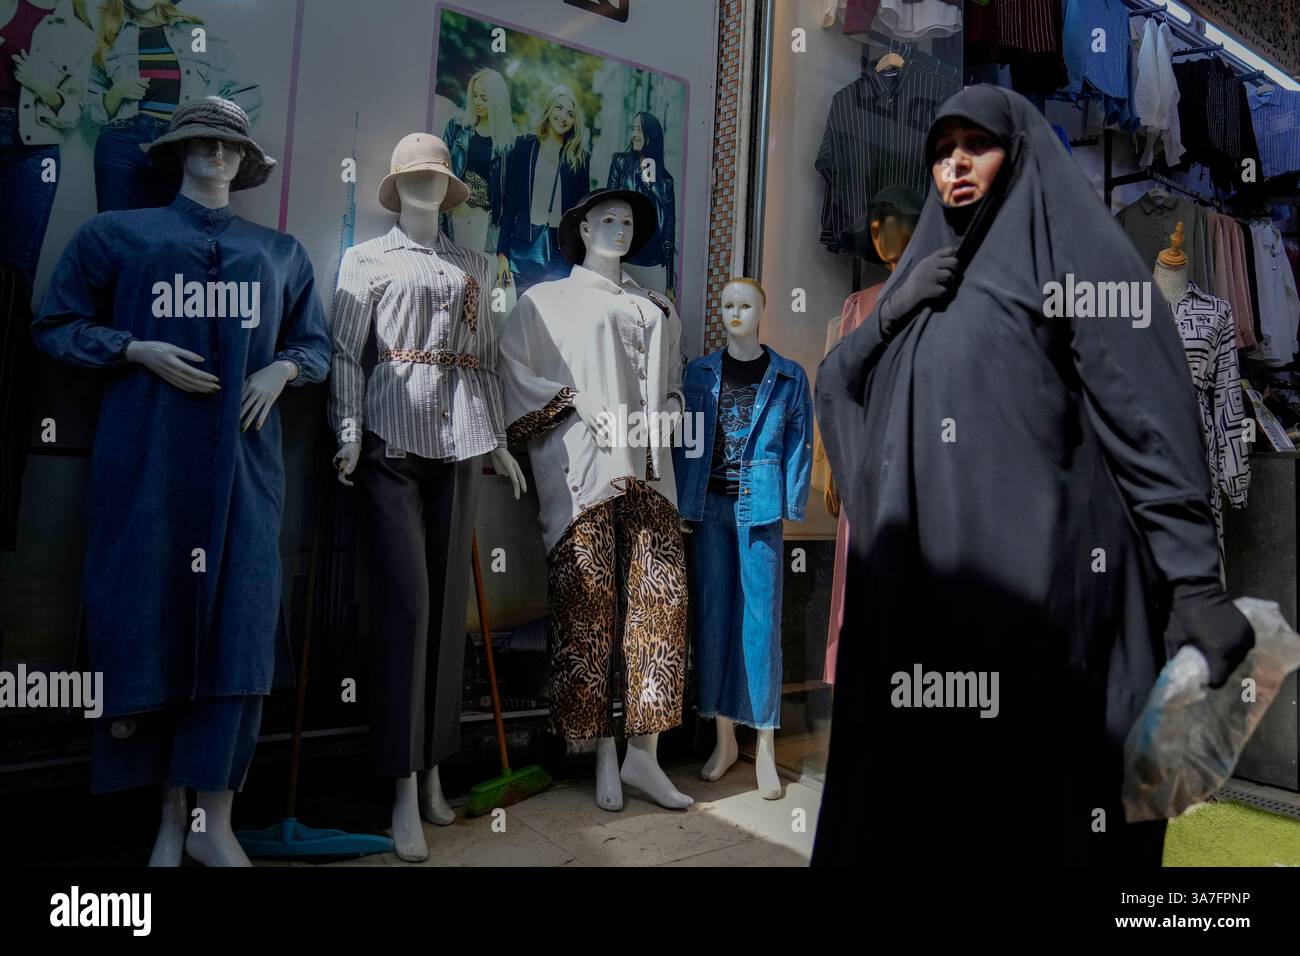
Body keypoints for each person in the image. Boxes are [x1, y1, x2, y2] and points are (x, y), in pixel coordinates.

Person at [813, 85, 1254, 867]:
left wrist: (1191, 579)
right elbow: (839, 383)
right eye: (941, 150)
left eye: (973, 144)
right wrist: (889, 314)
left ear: (1019, 152)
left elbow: (1143, 410)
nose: (954, 164)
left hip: (1043, 612)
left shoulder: (1074, 263)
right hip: (931, 618)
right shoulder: (929, 279)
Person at [87, 0, 260, 212]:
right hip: (121, 142)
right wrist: (116, 93)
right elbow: (92, 110)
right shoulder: (111, 37)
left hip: (178, 143)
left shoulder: (196, 34)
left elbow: (247, 92)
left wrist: (205, 124)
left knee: (173, 234)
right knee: (115, 234)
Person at [496, 83, 590, 290]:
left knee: (551, 315)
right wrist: (501, 252)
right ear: (548, 109)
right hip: (522, 246)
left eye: (570, 113)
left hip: (561, 255)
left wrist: (581, 259)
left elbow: (582, 213)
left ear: (575, 121)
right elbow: (510, 203)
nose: (563, 116)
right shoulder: (524, 147)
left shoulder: (579, 159)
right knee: (519, 313)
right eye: (559, 108)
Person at [441, 67, 514, 262]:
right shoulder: (457, 128)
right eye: (474, 95)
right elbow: (442, 172)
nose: (477, 102)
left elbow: (508, 198)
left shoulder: (507, 145)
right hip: (452, 217)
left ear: (497, 101)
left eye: (484, 97)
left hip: (483, 225)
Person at [606, 111, 676, 298]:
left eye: (640, 129)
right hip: (625, 262)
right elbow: (608, 211)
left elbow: (669, 233)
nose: (635, 134)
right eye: (633, 128)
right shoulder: (620, 163)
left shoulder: (665, 181)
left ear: (651, 136)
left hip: (654, 265)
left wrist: (670, 284)